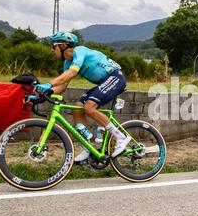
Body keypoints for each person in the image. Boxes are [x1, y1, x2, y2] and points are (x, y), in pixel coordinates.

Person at [34, 31, 128, 161]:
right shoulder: (67, 63)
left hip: (115, 77)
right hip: (104, 82)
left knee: (89, 107)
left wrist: (49, 84)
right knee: (77, 107)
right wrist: (43, 93)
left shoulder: (80, 51)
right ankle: (88, 148)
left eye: (54, 46)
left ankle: (120, 137)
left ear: (63, 46)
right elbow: (62, 86)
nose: (52, 49)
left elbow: (72, 73)